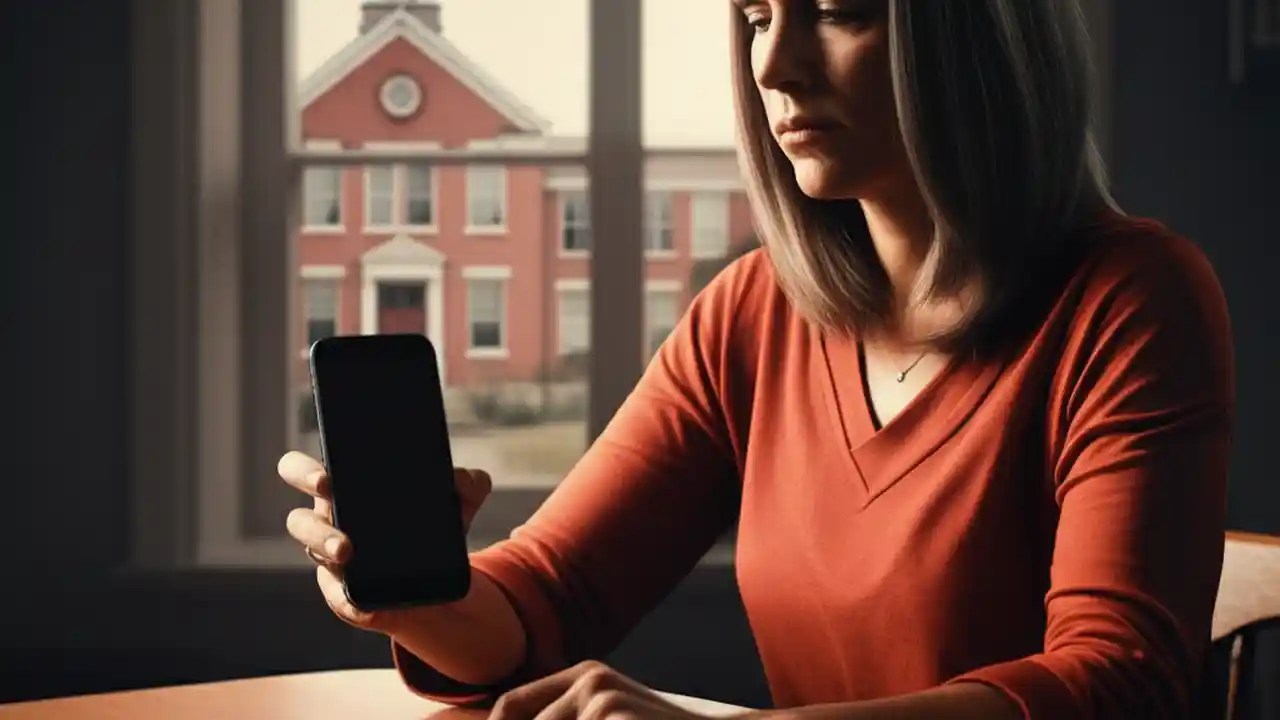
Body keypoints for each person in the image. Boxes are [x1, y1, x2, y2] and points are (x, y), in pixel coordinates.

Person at [278, 0, 1234, 717]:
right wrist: (419, 595)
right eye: (757, 15)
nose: (776, 64)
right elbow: (549, 600)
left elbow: (1116, 683)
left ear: (977, 34)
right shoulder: (751, 313)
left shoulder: (1130, 299)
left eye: (838, 10)